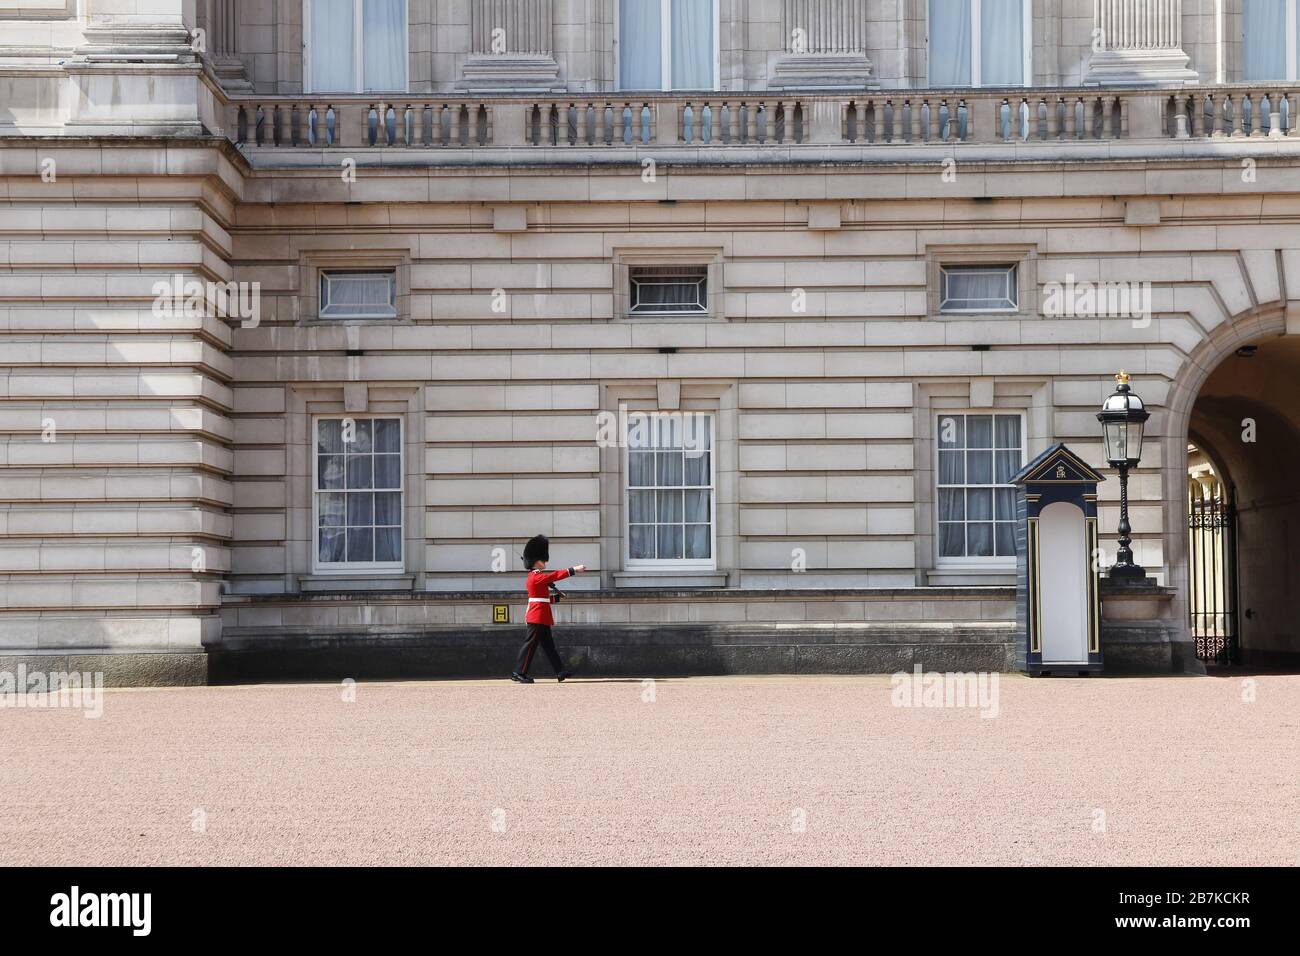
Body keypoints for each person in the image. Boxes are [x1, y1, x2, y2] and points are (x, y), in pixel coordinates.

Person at [511, 535, 586, 684]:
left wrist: (557, 598)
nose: (545, 562)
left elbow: (544, 599)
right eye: (543, 560)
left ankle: (560, 671)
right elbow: (554, 575)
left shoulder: (538, 577)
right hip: (537, 617)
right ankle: (519, 672)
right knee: (530, 645)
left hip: (542, 616)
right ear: (535, 561)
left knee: (549, 646)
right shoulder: (535, 577)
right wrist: (573, 570)